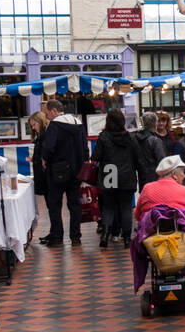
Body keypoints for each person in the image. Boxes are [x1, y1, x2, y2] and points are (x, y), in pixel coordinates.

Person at [39, 97, 87, 247]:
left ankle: (58, 236)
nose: (46, 116)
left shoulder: (54, 125)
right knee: (74, 205)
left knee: (55, 204)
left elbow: (48, 147)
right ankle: (75, 237)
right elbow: (85, 147)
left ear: (54, 110)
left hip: (58, 170)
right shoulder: (77, 122)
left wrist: (44, 158)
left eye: (47, 113)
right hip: (76, 170)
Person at [91, 108, 141, 247]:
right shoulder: (130, 137)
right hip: (126, 174)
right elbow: (138, 157)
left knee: (108, 207)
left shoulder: (104, 137)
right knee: (126, 207)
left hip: (109, 172)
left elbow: (96, 156)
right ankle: (126, 238)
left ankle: (105, 236)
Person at [135, 155, 185, 220]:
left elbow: (137, 215)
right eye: (183, 172)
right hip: (180, 229)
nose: (184, 175)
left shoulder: (147, 188)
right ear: (174, 174)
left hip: (150, 229)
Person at [134, 111, 166, 185]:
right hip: (155, 178)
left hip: (142, 176)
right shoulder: (155, 141)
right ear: (155, 123)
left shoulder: (136, 138)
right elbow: (162, 161)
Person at [28, 110, 49, 213]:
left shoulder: (46, 136)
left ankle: (56, 229)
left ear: (41, 122)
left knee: (52, 206)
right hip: (43, 177)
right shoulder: (41, 137)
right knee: (51, 206)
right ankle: (55, 228)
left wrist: (37, 158)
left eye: (34, 125)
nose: (33, 128)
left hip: (47, 177)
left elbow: (47, 154)